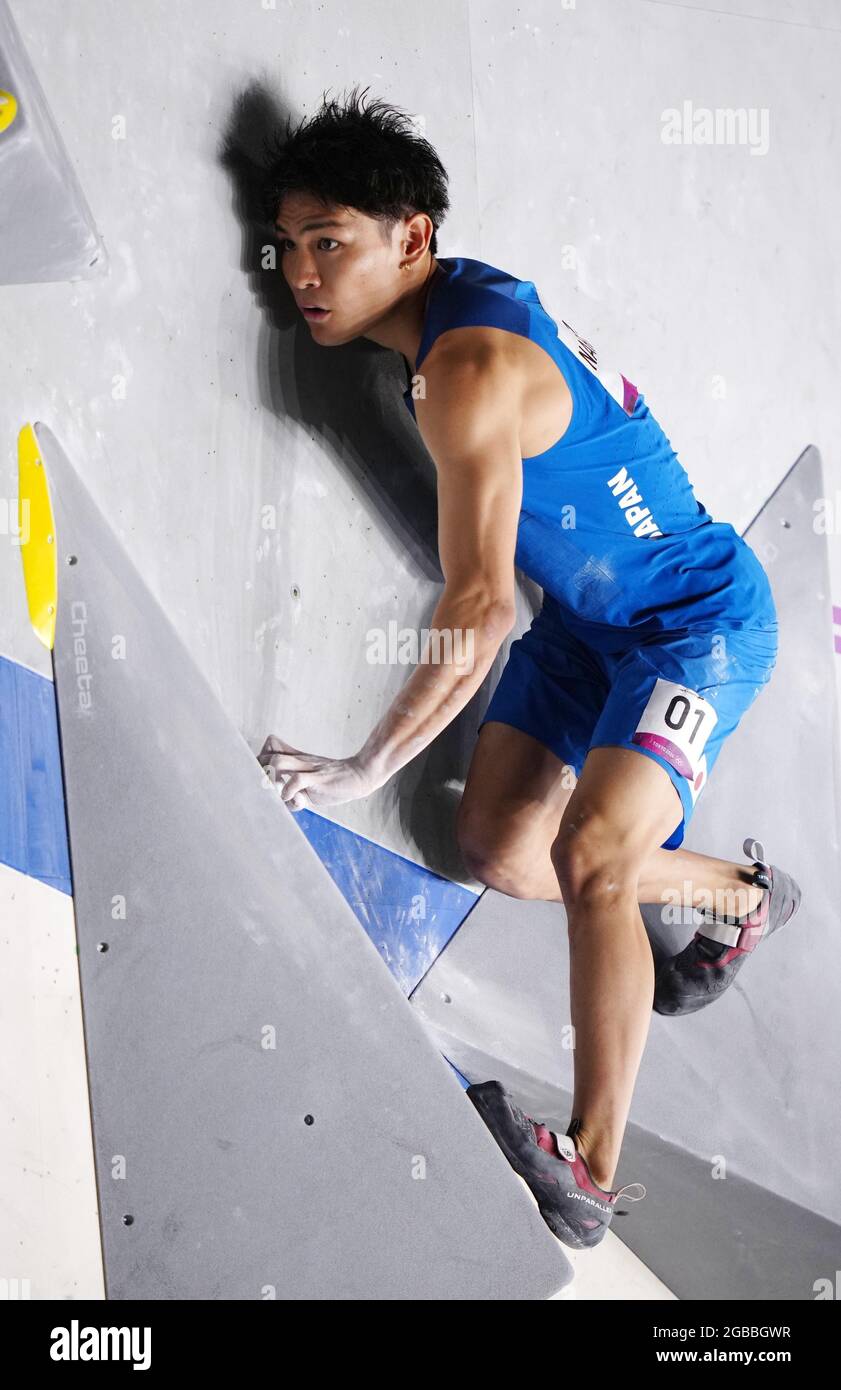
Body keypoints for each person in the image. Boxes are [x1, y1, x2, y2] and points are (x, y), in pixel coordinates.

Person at [256, 87, 801, 1250]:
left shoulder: (464, 367)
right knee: (501, 849)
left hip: (693, 620)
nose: (303, 274)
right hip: (586, 624)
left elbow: (479, 601)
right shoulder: (455, 308)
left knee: (591, 851)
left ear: (412, 238)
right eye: (290, 245)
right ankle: (732, 899)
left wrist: (363, 764)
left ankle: (591, 1171)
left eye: (330, 244)